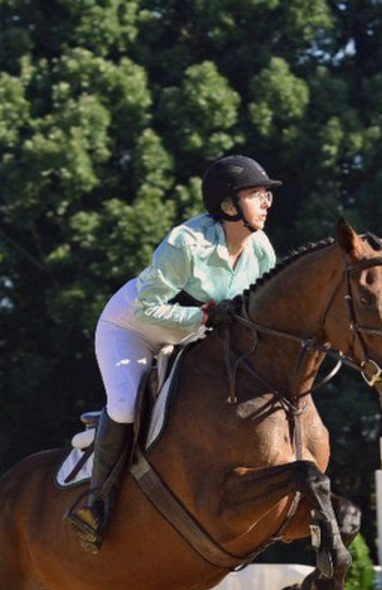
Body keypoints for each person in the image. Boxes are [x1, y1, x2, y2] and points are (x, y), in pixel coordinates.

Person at [65, 154, 282, 552]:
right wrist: (204, 313)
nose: (267, 202)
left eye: (267, 194)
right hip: (130, 330)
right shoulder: (186, 243)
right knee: (128, 407)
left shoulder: (262, 252)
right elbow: (147, 308)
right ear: (230, 206)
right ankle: (95, 504)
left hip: (184, 338)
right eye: (256, 194)